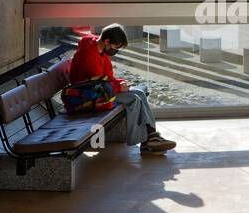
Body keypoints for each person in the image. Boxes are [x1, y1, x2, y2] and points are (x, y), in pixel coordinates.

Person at [67, 24, 176, 153]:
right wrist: (118, 87)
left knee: (140, 92)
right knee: (133, 99)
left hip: (98, 90)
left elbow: (107, 77)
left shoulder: (101, 50)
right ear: (107, 41)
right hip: (87, 96)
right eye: (115, 47)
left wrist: (121, 83)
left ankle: (151, 135)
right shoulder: (89, 53)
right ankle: (146, 141)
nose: (115, 51)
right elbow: (97, 83)